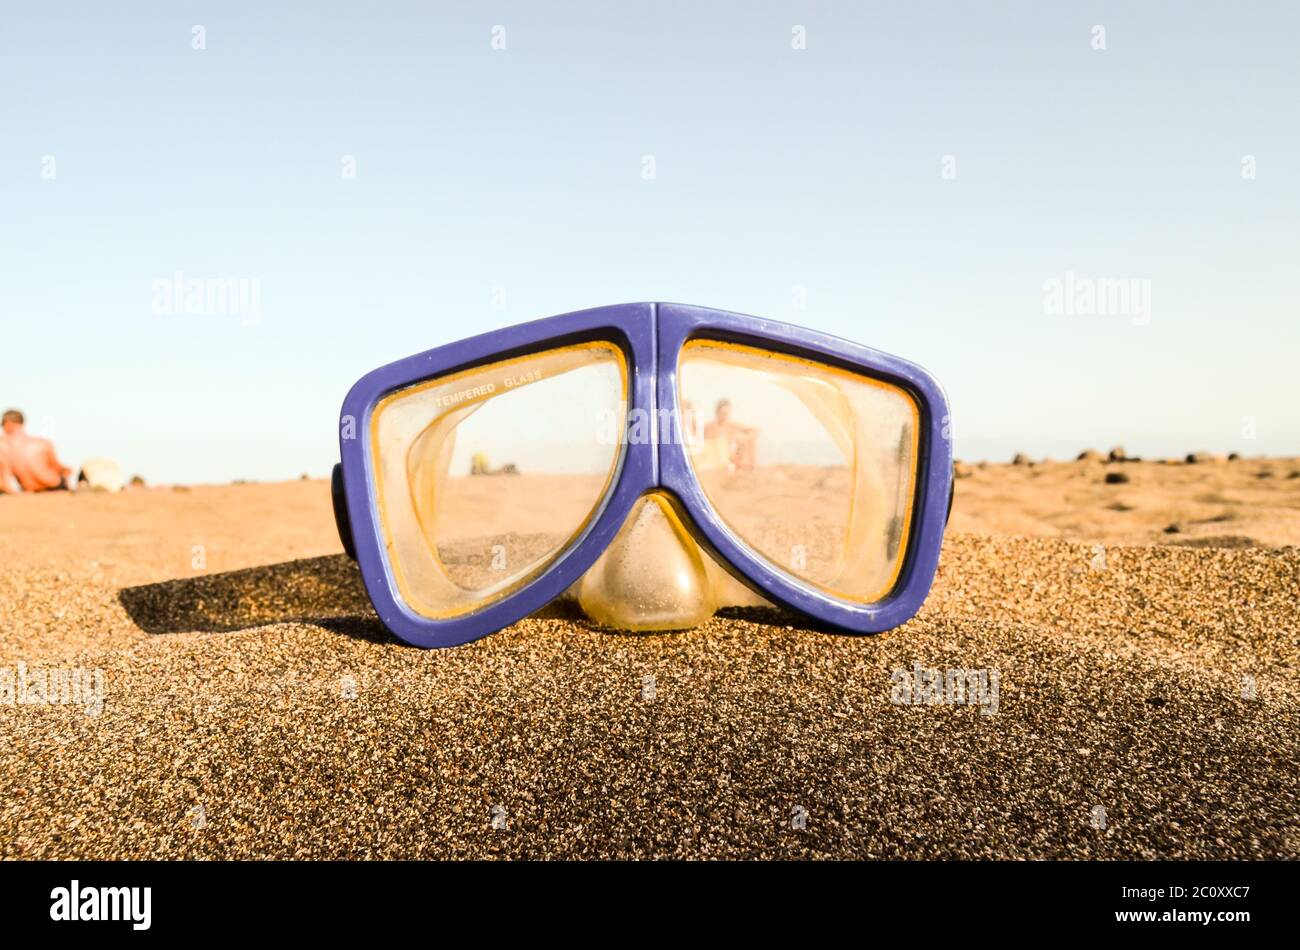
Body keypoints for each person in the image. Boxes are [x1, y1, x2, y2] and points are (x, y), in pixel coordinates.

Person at [0, 409, 72, 493]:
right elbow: (58, 467)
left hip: (31, 489)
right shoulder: (42, 443)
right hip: (55, 484)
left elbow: (4, 479)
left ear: (6, 424)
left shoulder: (3, 446)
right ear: (22, 423)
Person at [701, 398, 759, 471]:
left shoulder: (732, 425)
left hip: (729, 457)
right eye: (723, 413)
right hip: (714, 458)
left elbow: (755, 430)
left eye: (727, 413)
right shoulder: (708, 426)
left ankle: (753, 467)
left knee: (745, 438)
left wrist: (746, 437)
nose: (725, 416)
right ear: (717, 412)